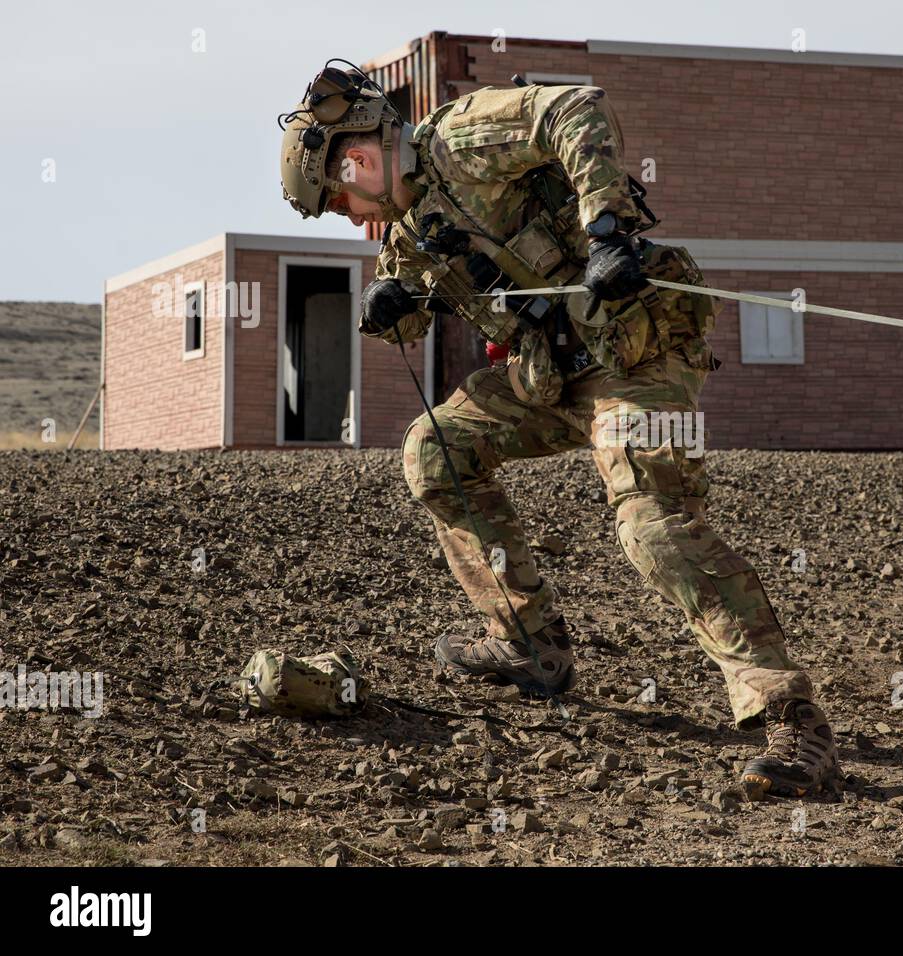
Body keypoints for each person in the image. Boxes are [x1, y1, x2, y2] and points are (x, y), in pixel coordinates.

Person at [278, 62, 838, 797]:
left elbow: (578, 108)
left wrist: (606, 229)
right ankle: (527, 644)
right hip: (551, 376)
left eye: (341, 200)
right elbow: (416, 310)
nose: (352, 217)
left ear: (355, 159)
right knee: (436, 450)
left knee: (651, 527)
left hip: (637, 356)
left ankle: (793, 721)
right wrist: (388, 307)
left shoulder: (461, 139)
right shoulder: (411, 231)